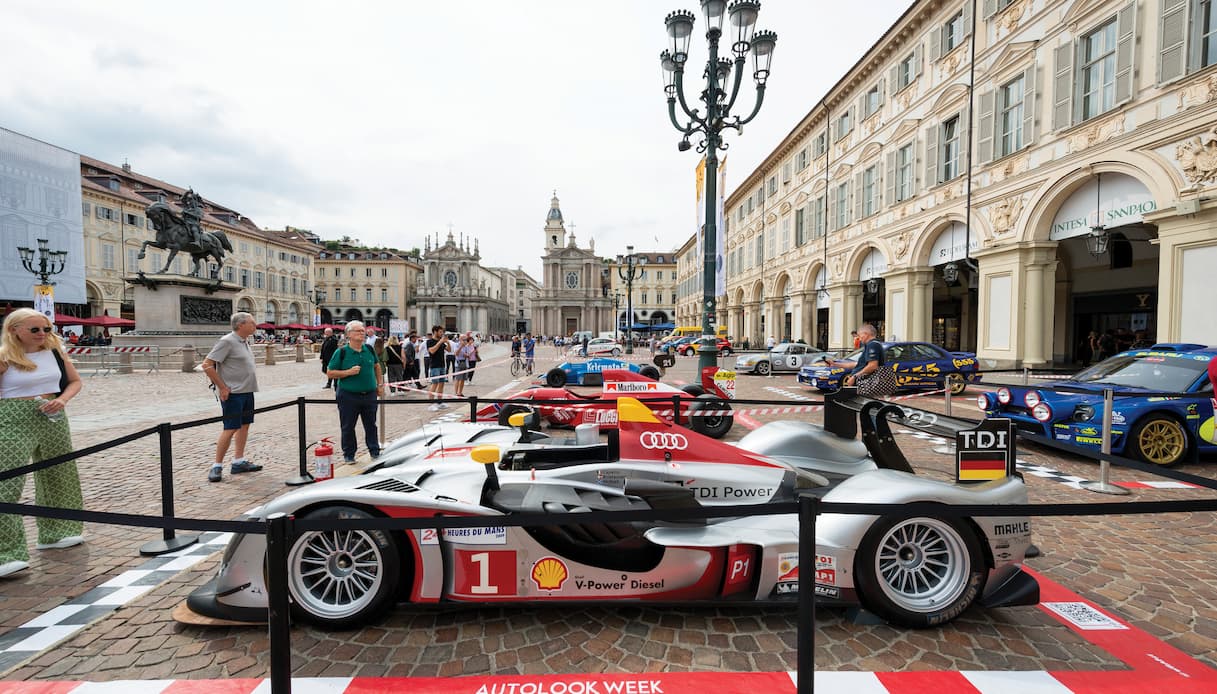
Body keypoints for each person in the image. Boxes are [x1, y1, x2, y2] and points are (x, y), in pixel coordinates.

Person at [0, 309, 86, 578]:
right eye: (34, 330)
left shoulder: (56, 352)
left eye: (46, 329)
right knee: (8, 483)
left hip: (53, 415)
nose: (42, 335)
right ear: (14, 330)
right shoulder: (4, 357)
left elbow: (74, 382)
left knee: (59, 474)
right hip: (13, 417)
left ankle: (57, 531)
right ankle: (6, 552)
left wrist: (62, 400)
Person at [201, 312, 264, 483]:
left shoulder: (244, 341)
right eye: (252, 322)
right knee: (230, 428)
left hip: (247, 391)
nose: (255, 325)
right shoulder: (227, 341)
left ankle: (238, 461)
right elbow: (207, 365)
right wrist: (222, 387)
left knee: (244, 426)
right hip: (233, 393)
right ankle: (217, 465)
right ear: (241, 325)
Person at [327, 321, 384, 462]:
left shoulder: (369, 350)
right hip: (348, 395)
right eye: (358, 331)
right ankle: (349, 454)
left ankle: (374, 450)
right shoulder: (341, 352)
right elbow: (330, 373)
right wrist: (348, 372)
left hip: (369, 394)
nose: (362, 333)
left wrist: (380, 384)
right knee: (348, 426)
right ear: (349, 335)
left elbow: (377, 367)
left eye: (362, 330)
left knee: (371, 424)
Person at [838, 323, 885, 389]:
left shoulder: (872, 345)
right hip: (864, 384)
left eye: (860, 336)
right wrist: (836, 364)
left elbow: (873, 366)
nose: (859, 339)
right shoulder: (871, 345)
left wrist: (855, 376)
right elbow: (860, 364)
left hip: (865, 384)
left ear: (865, 334)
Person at [426, 325, 451, 410]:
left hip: (442, 365)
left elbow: (449, 350)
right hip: (434, 366)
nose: (442, 334)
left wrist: (447, 342)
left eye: (442, 332)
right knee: (434, 384)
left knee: (441, 384)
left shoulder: (442, 342)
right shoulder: (430, 341)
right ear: (435, 332)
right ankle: (431, 404)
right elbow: (432, 351)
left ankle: (439, 402)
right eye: (440, 332)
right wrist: (440, 342)